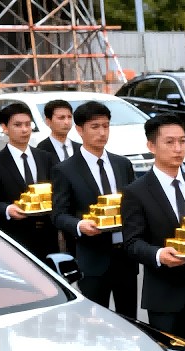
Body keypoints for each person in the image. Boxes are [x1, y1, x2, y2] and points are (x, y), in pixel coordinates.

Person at [122, 113, 185, 349]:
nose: (178, 148)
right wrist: (158, 255)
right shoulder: (136, 192)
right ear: (151, 146)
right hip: (164, 295)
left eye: (182, 141)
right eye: (170, 142)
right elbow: (132, 242)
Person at [51, 100, 138, 318]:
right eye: (95, 127)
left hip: (126, 258)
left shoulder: (122, 164)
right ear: (80, 130)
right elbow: (59, 215)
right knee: (95, 319)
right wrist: (80, 225)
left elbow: (134, 205)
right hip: (93, 258)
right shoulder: (65, 170)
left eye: (106, 126)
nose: (102, 133)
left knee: (129, 319)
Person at [0, 102, 57, 261]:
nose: (24, 130)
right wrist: (8, 209)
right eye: (17, 125)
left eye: (28, 124)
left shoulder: (45, 157)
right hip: (15, 234)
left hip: (47, 233)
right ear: (5, 127)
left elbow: (55, 190)